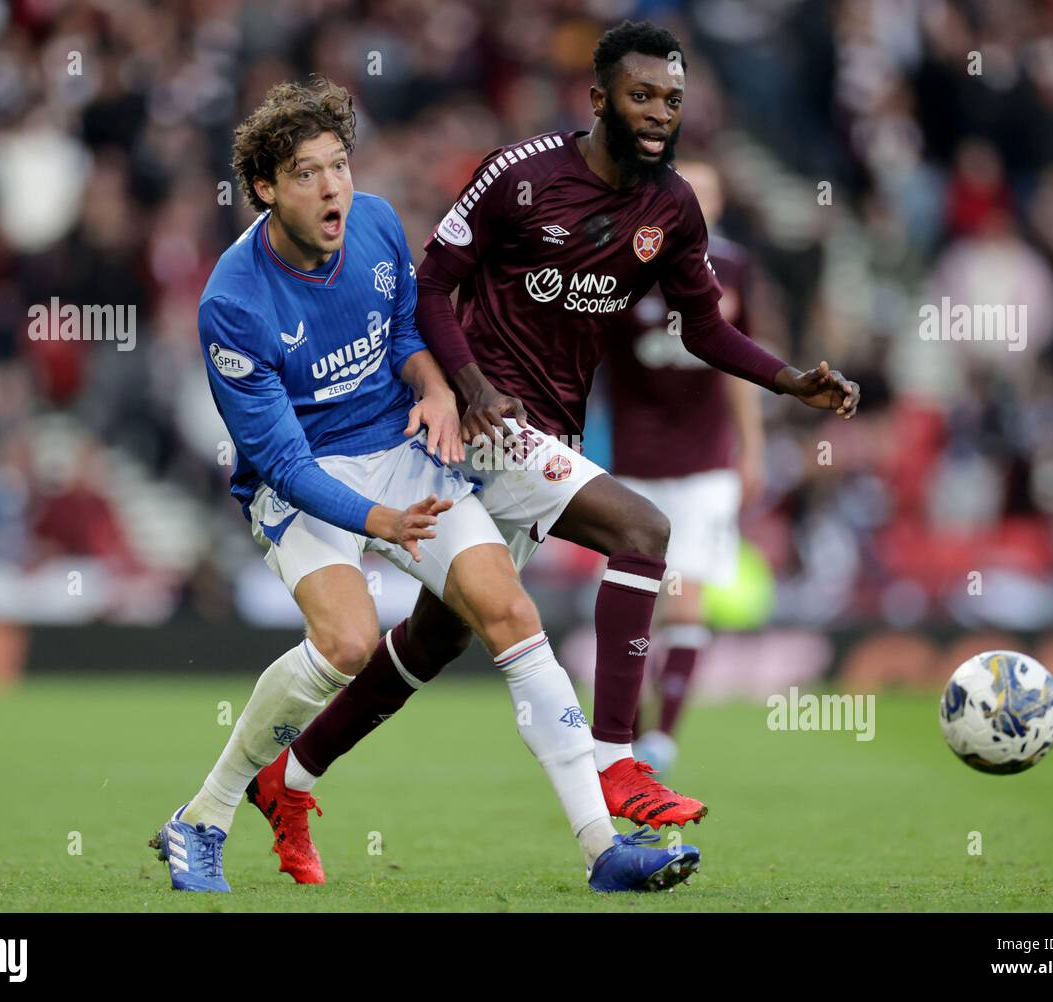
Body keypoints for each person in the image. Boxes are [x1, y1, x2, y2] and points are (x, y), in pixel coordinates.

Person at [261, 20, 858, 881]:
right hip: (480, 430)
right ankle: (618, 761)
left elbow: (704, 329)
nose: (659, 115)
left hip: (549, 433)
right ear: (599, 98)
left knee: (435, 641)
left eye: (673, 101)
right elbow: (431, 283)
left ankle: (293, 774)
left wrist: (790, 380)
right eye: (642, 96)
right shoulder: (521, 174)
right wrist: (466, 384)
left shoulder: (672, 208)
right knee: (641, 531)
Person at [150, 76, 699, 894]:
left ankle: (602, 849)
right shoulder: (232, 302)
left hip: (398, 451)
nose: (333, 185)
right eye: (306, 173)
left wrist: (437, 389)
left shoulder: (372, 221)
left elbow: (407, 328)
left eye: (338, 164)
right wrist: (383, 521)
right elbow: (288, 464)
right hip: (300, 477)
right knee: (346, 641)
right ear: (264, 189)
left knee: (512, 614)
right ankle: (203, 816)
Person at [609, 158, 767, 775]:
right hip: (632, 464)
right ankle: (638, 730)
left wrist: (750, 448)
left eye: (707, 193)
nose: (695, 204)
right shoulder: (624, 263)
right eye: (686, 191)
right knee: (634, 604)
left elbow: (744, 366)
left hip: (705, 464)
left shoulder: (734, 270)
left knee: (687, 596)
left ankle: (662, 740)